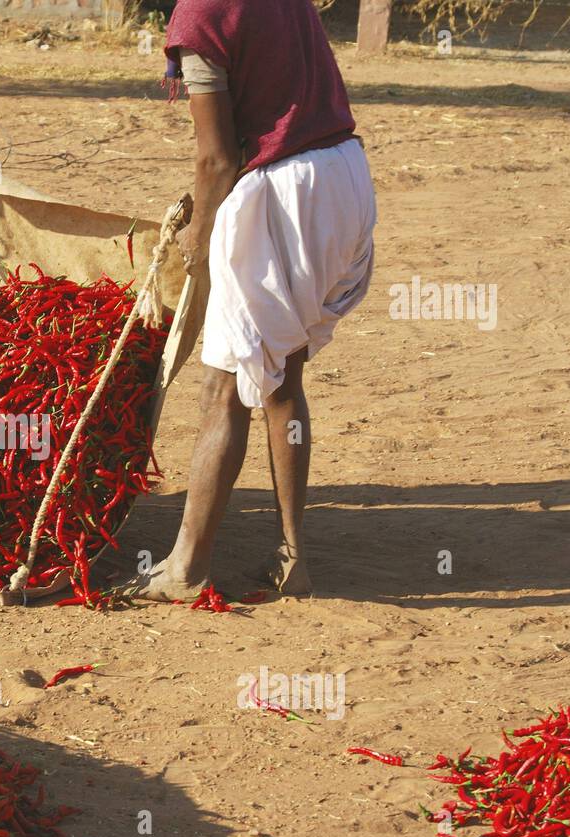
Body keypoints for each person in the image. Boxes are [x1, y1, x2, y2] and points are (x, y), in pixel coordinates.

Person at [131, 0, 376, 599]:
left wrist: (202, 236)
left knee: (225, 383)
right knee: (281, 374)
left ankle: (186, 568)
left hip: (286, 193)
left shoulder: (199, 17)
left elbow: (215, 159)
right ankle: (293, 557)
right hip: (342, 175)